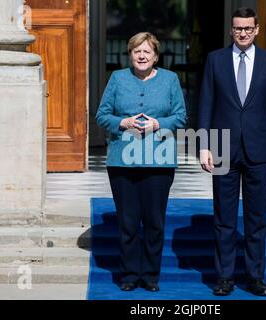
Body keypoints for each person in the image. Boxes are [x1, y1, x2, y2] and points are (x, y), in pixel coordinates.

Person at [198, 8, 266, 297]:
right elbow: (206, 105)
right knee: (224, 216)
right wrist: (203, 146)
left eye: (248, 28)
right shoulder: (215, 60)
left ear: (257, 29)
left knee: (256, 217)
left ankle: (255, 277)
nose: (243, 33)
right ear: (231, 30)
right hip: (223, 147)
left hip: (259, 150)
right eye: (238, 28)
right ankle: (224, 277)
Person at [96, 32, 186, 292]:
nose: (142, 56)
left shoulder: (170, 80)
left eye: (147, 51)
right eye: (137, 51)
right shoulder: (117, 78)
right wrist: (122, 122)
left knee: (155, 222)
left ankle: (150, 275)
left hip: (159, 161)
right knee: (128, 221)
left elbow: (181, 116)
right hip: (122, 161)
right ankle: (129, 274)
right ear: (130, 55)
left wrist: (160, 123)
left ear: (156, 56)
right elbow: (103, 115)